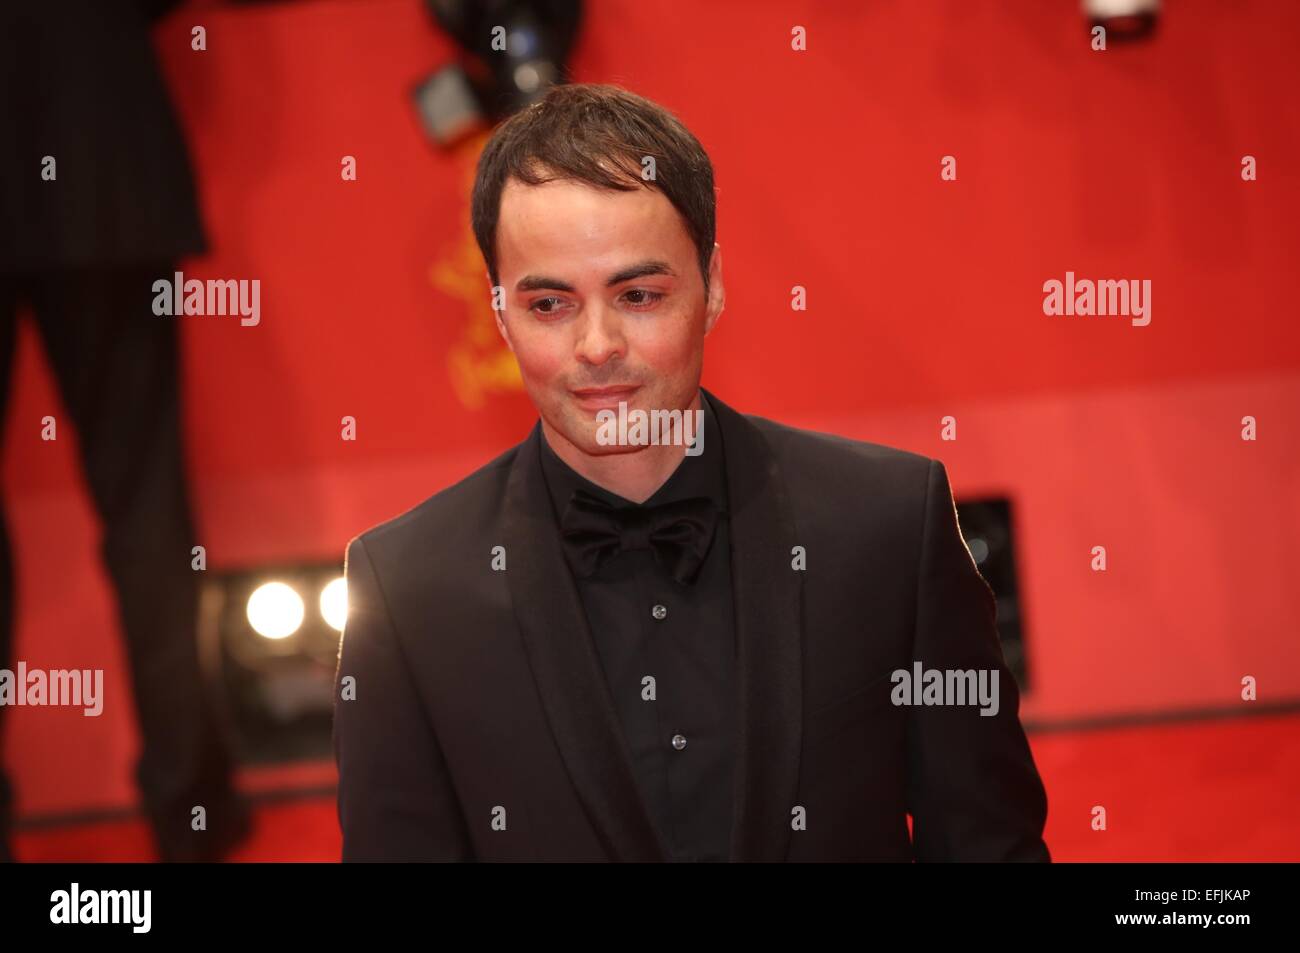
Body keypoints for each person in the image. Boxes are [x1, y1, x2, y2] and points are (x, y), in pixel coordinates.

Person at [333, 83, 1049, 862]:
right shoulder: (406, 589)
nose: (597, 344)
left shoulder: (887, 526)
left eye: (638, 294)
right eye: (550, 305)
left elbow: (990, 844)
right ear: (501, 314)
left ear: (710, 286)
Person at [0, 1, 250, 862]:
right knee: (147, 505)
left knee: (148, 510)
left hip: (100, 153)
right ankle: (193, 806)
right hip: (99, 147)